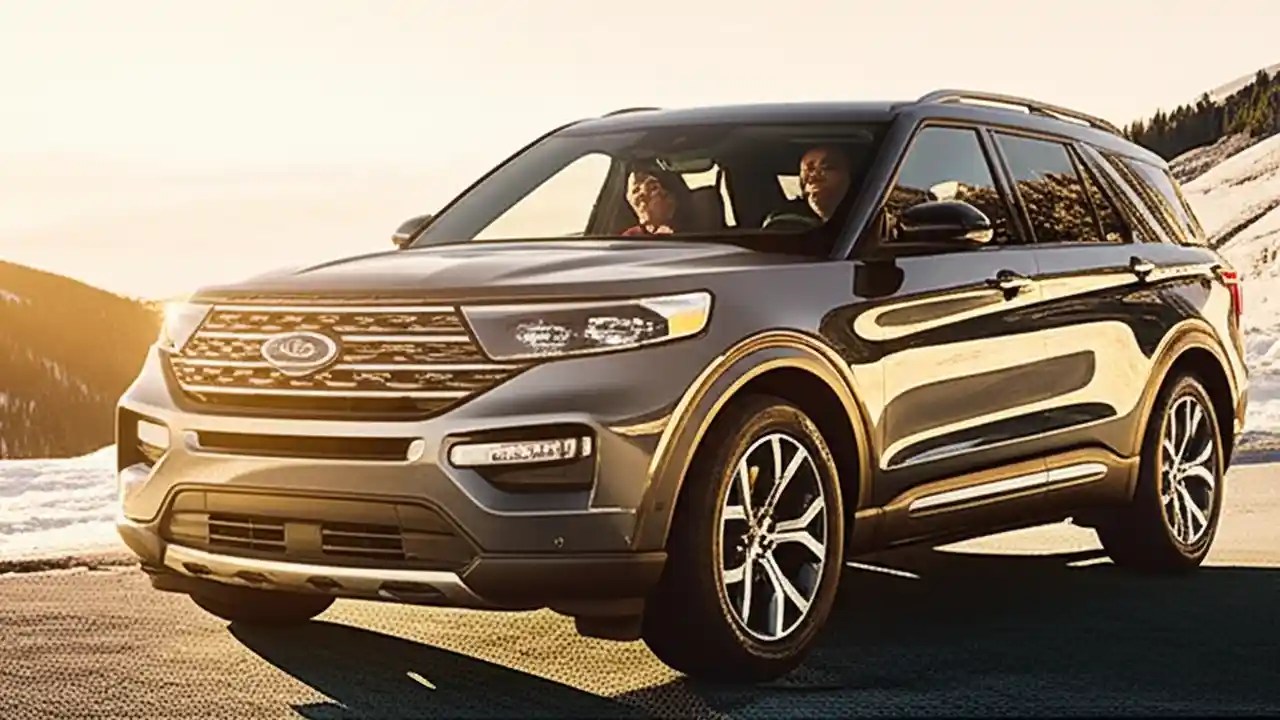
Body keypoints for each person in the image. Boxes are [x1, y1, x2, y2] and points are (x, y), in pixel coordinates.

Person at [762, 145, 853, 230]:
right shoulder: (784, 224)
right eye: (808, 170)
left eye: (827, 167)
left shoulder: (863, 218)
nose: (814, 175)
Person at [621, 167, 692, 236]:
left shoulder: (694, 235)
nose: (641, 196)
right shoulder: (630, 237)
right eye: (635, 190)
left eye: (653, 187)